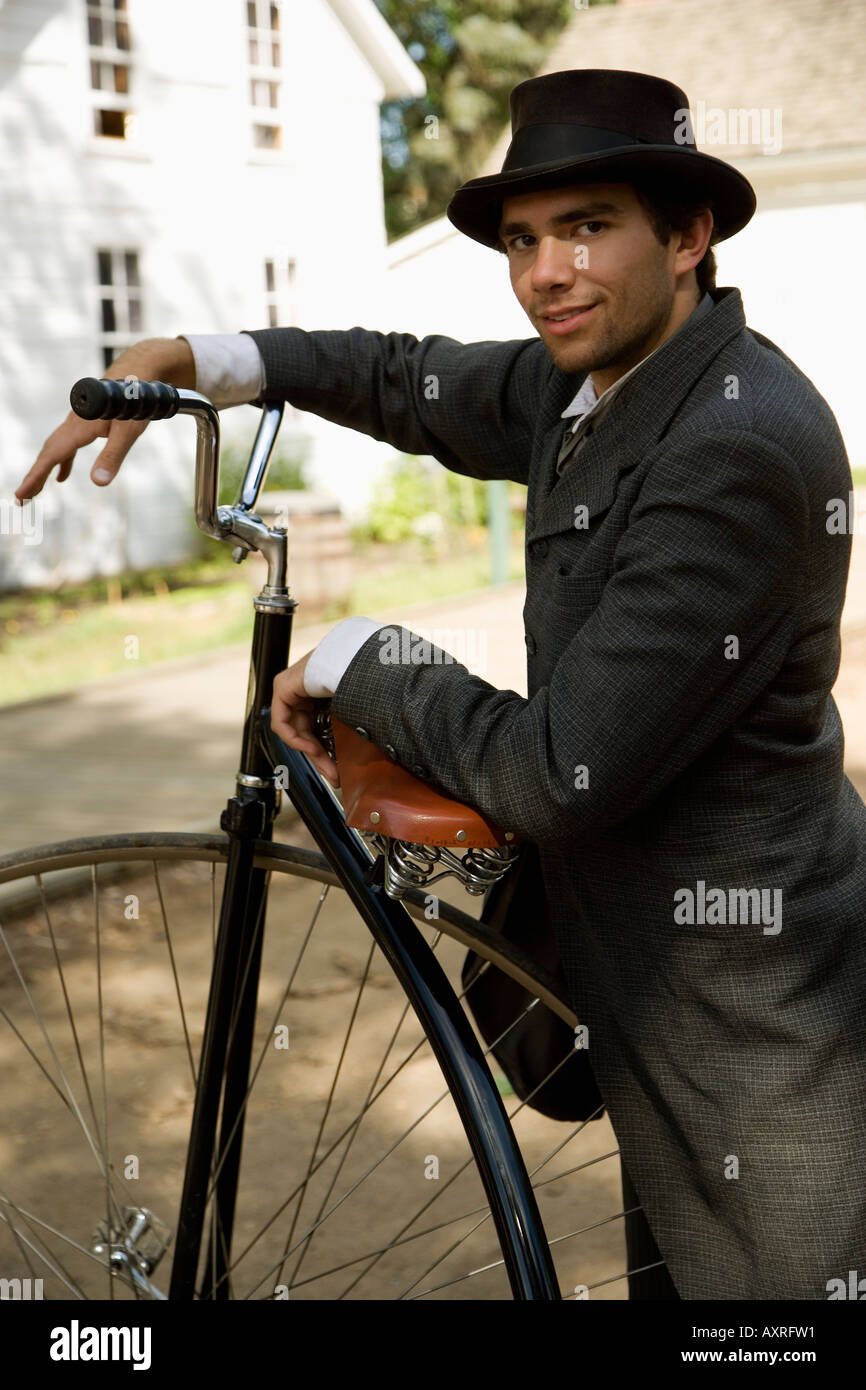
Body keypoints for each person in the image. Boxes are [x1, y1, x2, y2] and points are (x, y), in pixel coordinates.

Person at [16, 68, 866, 1302]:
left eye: (586, 229)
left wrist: (371, 659)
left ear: (687, 238)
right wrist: (208, 356)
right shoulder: (600, 383)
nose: (543, 274)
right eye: (522, 241)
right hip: (642, 983)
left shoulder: (729, 446)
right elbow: (410, 377)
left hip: (755, 1033)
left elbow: (553, 772)